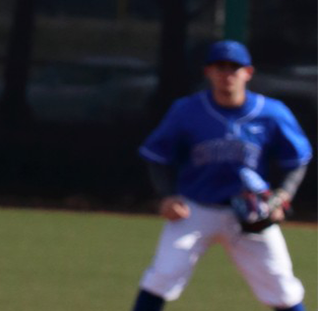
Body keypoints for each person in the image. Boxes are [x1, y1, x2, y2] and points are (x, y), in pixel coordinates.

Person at [131, 40, 312, 311]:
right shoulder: (187, 110)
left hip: (250, 213)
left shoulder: (271, 112)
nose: (227, 74)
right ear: (208, 72)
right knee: (161, 276)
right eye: (220, 67)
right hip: (195, 208)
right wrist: (167, 197)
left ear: (248, 72)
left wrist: (283, 196)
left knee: (282, 287)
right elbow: (157, 157)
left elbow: (297, 160)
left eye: (234, 68)